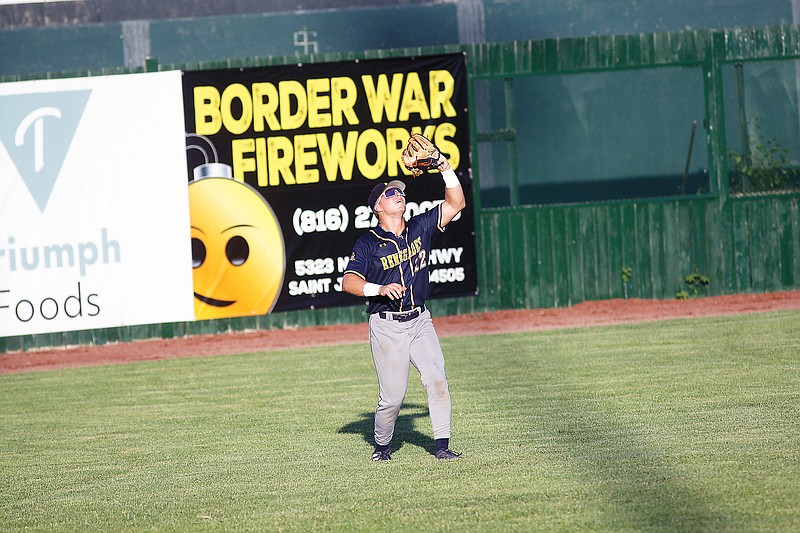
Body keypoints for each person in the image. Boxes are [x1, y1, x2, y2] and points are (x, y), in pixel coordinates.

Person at [342, 134, 466, 461]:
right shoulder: (368, 243)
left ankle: (441, 447)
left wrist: (443, 165)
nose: (398, 194)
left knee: (437, 378)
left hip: (420, 320)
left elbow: (456, 203)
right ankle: (382, 448)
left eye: (400, 191)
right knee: (392, 399)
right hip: (387, 326)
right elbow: (349, 281)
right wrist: (378, 289)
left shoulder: (420, 227)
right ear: (378, 206)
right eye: (390, 193)